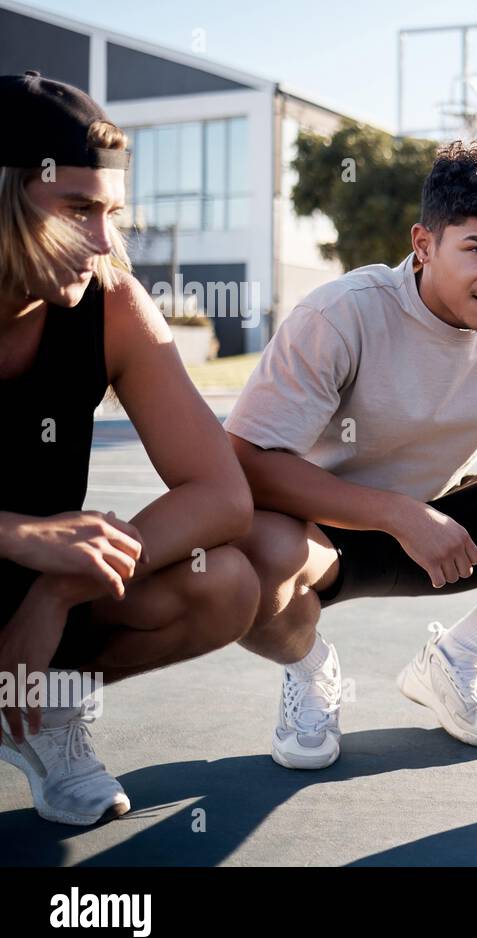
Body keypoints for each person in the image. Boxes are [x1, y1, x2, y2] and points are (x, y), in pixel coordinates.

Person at [226, 140, 477, 770]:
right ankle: (309, 672)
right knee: (247, 559)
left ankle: (457, 660)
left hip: (449, 523)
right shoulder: (341, 314)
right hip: (326, 530)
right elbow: (245, 460)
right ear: (423, 244)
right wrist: (395, 515)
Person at [0, 72, 259, 825]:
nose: (105, 242)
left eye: (112, 211)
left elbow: (222, 494)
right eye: (78, 210)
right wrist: (19, 536)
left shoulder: (111, 304)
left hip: (34, 588)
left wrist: (57, 589)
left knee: (226, 582)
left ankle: (41, 704)